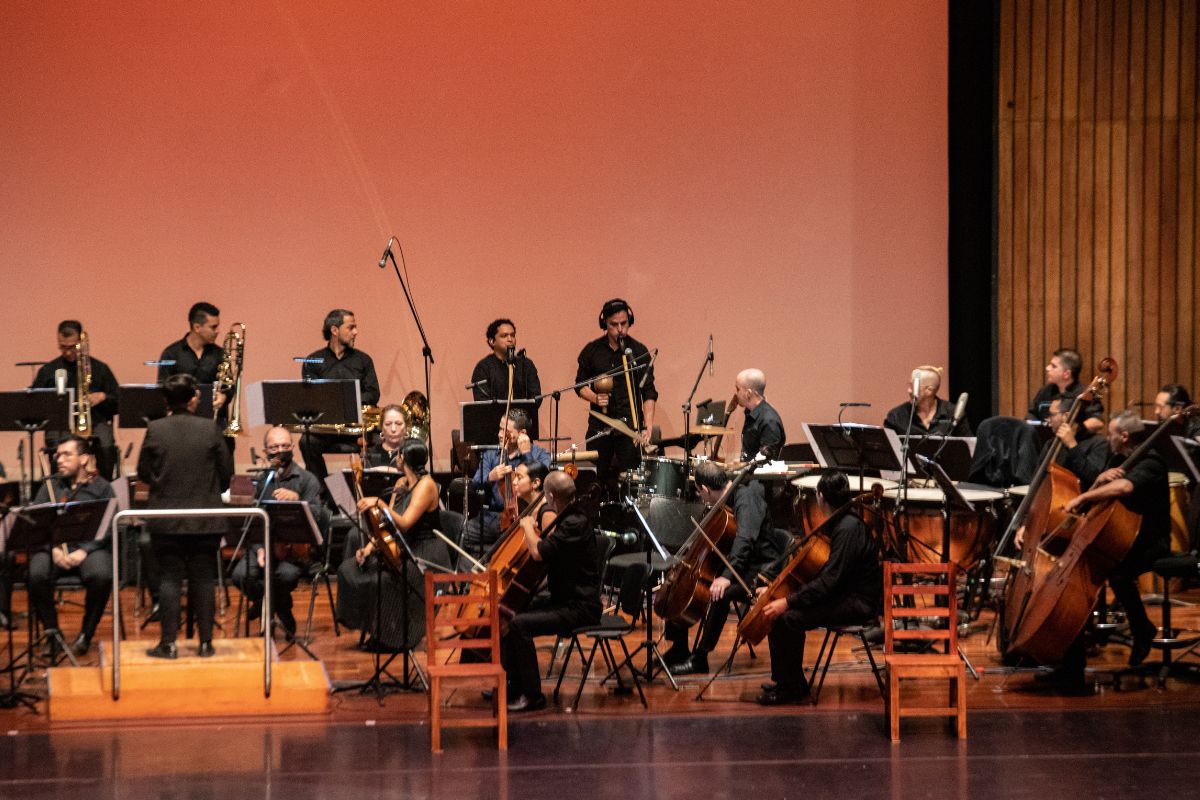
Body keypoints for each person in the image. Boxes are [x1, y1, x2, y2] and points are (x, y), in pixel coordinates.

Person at [756, 470, 881, 704]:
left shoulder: (847, 529)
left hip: (858, 603)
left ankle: (790, 688)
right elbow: (822, 576)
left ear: (822, 497)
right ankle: (788, 682)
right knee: (781, 613)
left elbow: (829, 581)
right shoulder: (842, 523)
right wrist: (778, 592)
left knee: (787, 618)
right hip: (844, 594)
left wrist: (788, 601)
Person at [137, 374, 234, 659]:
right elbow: (226, 474)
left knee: (169, 579)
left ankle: (168, 644)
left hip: (166, 517)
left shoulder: (155, 429)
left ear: (166, 401)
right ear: (192, 399)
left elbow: (143, 472)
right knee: (203, 579)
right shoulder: (210, 428)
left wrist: (163, 482)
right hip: (205, 518)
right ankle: (205, 644)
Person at [662, 461, 789, 674]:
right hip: (744, 563)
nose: (702, 499)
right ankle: (679, 648)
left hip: (761, 568)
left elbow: (745, 540)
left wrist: (727, 575)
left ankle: (700, 658)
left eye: (700, 494)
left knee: (720, 594)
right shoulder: (728, 498)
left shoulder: (746, 498)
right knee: (682, 582)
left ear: (705, 489)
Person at [501, 470, 600, 712]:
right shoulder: (568, 517)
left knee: (519, 624)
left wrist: (525, 526)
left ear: (552, 498)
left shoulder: (573, 523)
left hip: (580, 608)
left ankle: (532, 696)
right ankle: (513, 686)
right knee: (508, 612)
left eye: (545, 496)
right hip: (564, 600)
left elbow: (538, 552)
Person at [338, 439, 451, 651]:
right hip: (403, 546)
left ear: (404, 459)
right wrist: (369, 548)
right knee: (351, 568)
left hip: (426, 552)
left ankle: (396, 638)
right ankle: (375, 629)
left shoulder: (426, 485)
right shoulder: (401, 483)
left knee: (388, 580)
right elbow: (386, 525)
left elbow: (405, 523)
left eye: (398, 454)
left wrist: (379, 502)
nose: (396, 458)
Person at [231, 427, 325, 638]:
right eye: (274, 447)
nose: (280, 451)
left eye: (284, 446)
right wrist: (260, 549)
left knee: (285, 575)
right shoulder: (261, 482)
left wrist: (297, 501)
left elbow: (317, 518)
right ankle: (278, 605)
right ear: (266, 452)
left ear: (292, 448)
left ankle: (270, 604)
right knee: (239, 575)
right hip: (263, 547)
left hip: (294, 551)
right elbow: (253, 521)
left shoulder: (307, 480)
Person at [27, 435, 115, 656]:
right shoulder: (49, 485)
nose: (59, 459)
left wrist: (85, 550)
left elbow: (107, 526)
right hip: (54, 548)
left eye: (67, 454)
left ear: (84, 458)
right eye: (58, 455)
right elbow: (37, 523)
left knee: (102, 575)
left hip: (89, 548)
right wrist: (54, 549)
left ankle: (86, 634)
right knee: (36, 574)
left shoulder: (102, 488)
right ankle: (52, 633)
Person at [575, 298, 657, 493]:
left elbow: (649, 392)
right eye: (614, 324)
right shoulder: (592, 351)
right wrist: (594, 398)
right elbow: (579, 385)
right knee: (597, 481)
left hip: (630, 428)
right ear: (605, 324)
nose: (620, 329)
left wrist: (648, 426)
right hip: (600, 426)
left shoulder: (638, 352)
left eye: (624, 323)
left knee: (631, 481)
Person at [299, 309, 381, 484]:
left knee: (380, 442)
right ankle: (324, 491)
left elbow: (373, 393)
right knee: (307, 442)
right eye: (351, 327)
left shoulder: (364, 360)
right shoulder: (312, 361)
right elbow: (311, 396)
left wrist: (348, 402)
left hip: (357, 427)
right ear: (334, 330)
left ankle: (372, 491)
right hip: (327, 429)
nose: (355, 332)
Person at [30, 321, 121, 479]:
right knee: (56, 443)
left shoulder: (100, 368)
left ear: (81, 343)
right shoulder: (48, 371)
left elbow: (119, 400)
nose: (68, 352)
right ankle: (59, 488)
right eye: (63, 347)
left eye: (72, 347)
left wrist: (103, 396)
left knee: (106, 445)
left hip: (95, 419)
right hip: (61, 422)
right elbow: (35, 400)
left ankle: (105, 486)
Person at [461, 409, 550, 560]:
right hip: (494, 517)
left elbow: (542, 482)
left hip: (526, 519)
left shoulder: (540, 455)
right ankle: (472, 581)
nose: (500, 434)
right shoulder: (491, 455)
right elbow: (475, 484)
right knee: (463, 535)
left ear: (522, 433)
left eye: (506, 431)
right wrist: (490, 476)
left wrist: (527, 454)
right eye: (500, 429)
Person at [157, 301, 227, 415]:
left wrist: (224, 396)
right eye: (213, 327)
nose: (218, 331)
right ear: (197, 327)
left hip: (211, 421)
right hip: (180, 422)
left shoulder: (219, 353)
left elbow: (228, 387)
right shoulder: (171, 353)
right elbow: (162, 388)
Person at [469, 319, 542, 409]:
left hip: (523, 420)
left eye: (513, 335)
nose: (510, 339)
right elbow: (482, 402)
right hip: (495, 421)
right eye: (504, 336)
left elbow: (536, 397)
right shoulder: (483, 368)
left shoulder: (526, 364)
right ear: (492, 341)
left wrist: (519, 417)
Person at [1027, 348, 1104, 433]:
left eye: (1053, 366)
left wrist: (1074, 429)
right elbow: (1031, 415)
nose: (1047, 368)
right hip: (1045, 443)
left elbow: (1097, 421)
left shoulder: (1086, 395)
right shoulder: (1045, 391)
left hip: (1073, 443)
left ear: (1066, 374)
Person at [883, 365, 972, 437]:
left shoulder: (953, 414)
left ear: (929, 390)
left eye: (913, 386)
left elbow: (969, 447)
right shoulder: (896, 416)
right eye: (909, 385)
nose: (909, 391)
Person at [735, 368, 785, 461]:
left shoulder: (769, 421)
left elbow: (767, 463)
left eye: (738, 389)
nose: (736, 394)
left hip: (758, 475)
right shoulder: (750, 413)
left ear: (748, 393)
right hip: (748, 472)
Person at [364, 404, 408, 469]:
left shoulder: (413, 453)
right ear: (381, 427)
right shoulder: (370, 454)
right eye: (388, 424)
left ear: (406, 427)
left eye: (398, 424)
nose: (393, 429)